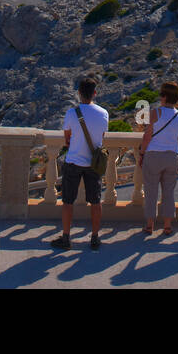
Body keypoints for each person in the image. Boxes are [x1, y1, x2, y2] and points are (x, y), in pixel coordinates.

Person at [51, 78, 109, 251]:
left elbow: (67, 137)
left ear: (79, 93)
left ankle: (66, 237)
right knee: (96, 201)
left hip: (74, 160)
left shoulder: (71, 113)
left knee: (68, 201)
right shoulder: (103, 113)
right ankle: (95, 237)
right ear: (95, 93)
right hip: (93, 162)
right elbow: (102, 135)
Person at [138, 81, 178, 236]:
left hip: (154, 155)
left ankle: (150, 225)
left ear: (164, 97)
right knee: (169, 192)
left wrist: (142, 153)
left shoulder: (155, 113)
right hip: (172, 156)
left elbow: (147, 136)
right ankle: (167, 225)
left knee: (151, 191)